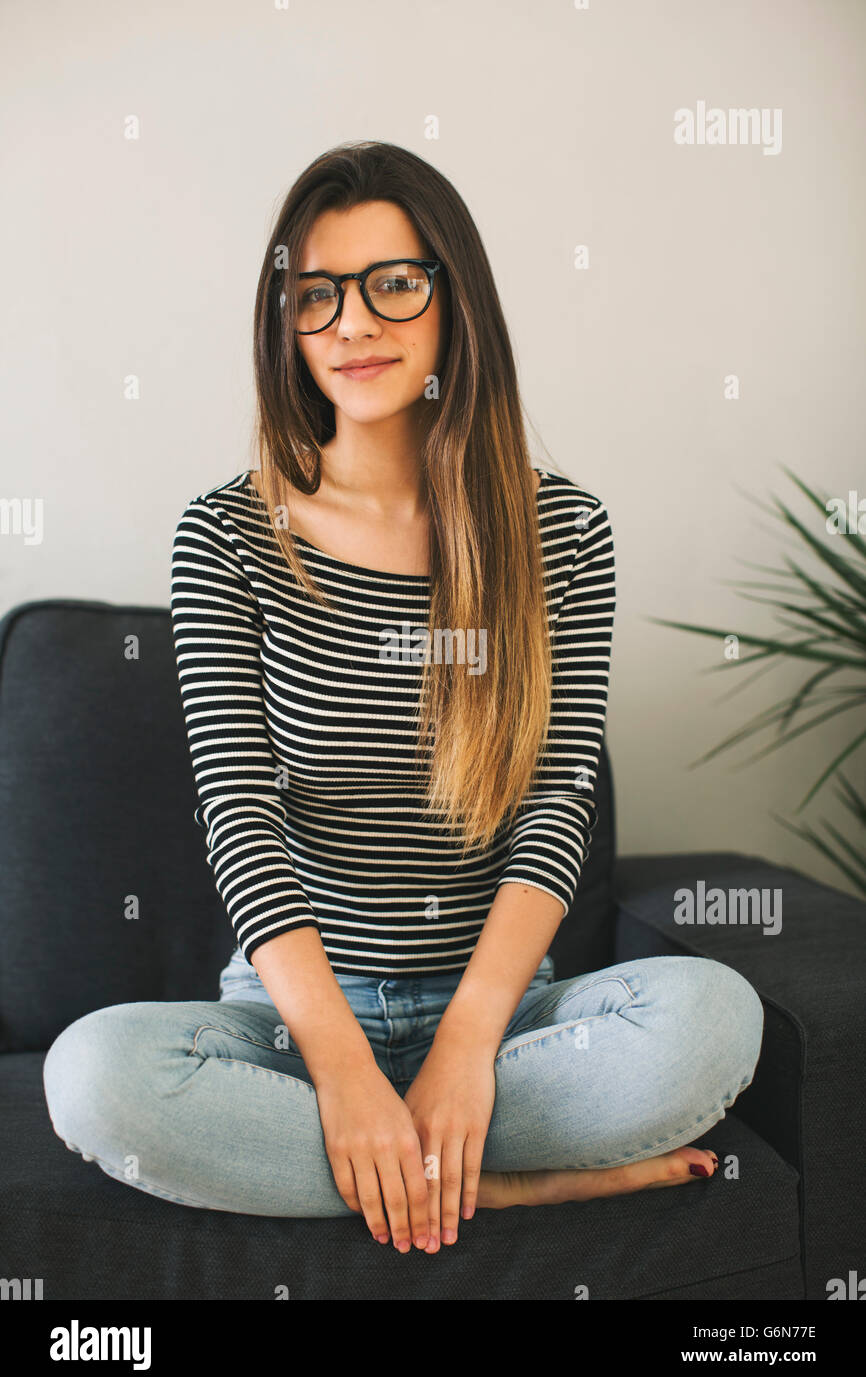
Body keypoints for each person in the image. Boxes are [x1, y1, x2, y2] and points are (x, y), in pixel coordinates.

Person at [43, 141, 764, 1257]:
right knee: (92, 1078)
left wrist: (469, 1043)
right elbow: (240, 817)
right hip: (291, 1020)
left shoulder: (561, 531)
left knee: (712, 1022)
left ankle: (398, 1157)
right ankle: (509, 1184)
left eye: (392, 282)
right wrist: (338, 1067)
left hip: (505, 1013)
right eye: (314, 294)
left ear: (452, 298)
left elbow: (554, 807)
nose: (350, 322)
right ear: (284, 322)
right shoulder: (226, 536)